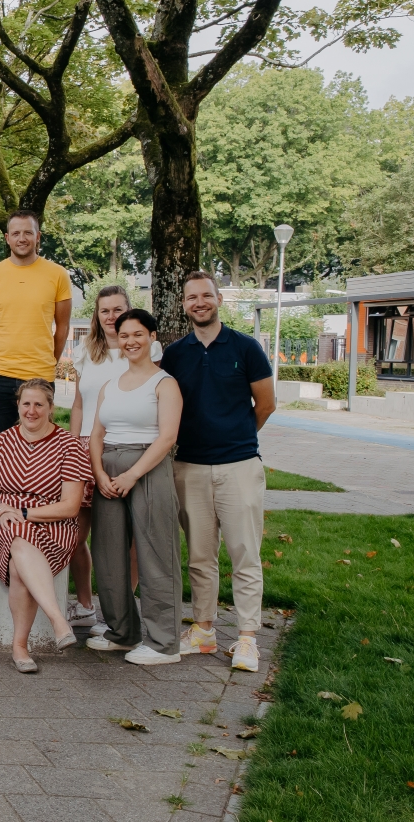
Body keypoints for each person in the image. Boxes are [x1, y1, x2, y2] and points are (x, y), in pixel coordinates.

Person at [161, 271, 275, 673]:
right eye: (192, 297)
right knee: (200, 556)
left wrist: (236, 438)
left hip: (239, 465)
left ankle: (247, 638)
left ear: (219, 298)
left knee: (245, 553)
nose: (199, 303)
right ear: (184, 304)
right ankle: (204, 630)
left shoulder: (245, 347)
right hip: (189, 466)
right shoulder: (174, 355)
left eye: (206, 295)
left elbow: (265, 404)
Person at [86, 309, 184, 666]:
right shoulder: (110, 385)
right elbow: (97, 433)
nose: (130, 341)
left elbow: (167, 437)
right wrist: (99, 473)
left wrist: (132, 475)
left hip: (148, 469)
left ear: (152, 336)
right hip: (108, 469)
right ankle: (122, 632)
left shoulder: (164, 383)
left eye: (138, 334)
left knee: (155, 553)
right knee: (108, 554)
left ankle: (164, 643)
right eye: (124, 335)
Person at [0, 379, 91, 673]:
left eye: (39, 404)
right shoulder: (1, 442)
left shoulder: (69, 446)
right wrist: (2, 512)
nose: (32, 410)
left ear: (51, 408)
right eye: (26, 403)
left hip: (54, 525)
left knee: (18, 561)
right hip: (5, 523)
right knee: (17, 535)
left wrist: (26, 513)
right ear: (17, 405)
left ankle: (20, 647)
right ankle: (58, 620)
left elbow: (70, 506)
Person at [66, 285, 162, 635]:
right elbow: (78, 404)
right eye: (104, 311)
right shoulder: (85, 352)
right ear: (97, 314)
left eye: (117, 309)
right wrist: (73, 446)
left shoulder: (140, 349)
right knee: (75, 534)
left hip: (126, 448)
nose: (110, 316)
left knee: (129, 538)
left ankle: (120, 609)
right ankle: (87, 605)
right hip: (86, 449)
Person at [0, 212, 73, 431]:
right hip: (0, 373)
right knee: (3, 439)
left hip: (40, 374)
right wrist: (2, 354)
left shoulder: (58, 274)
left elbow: (63, 327)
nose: (22, 238)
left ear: (38, 236)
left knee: (39, 440)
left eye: (28, 232)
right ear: (7, 237)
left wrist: (50, 361)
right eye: (16, 233)